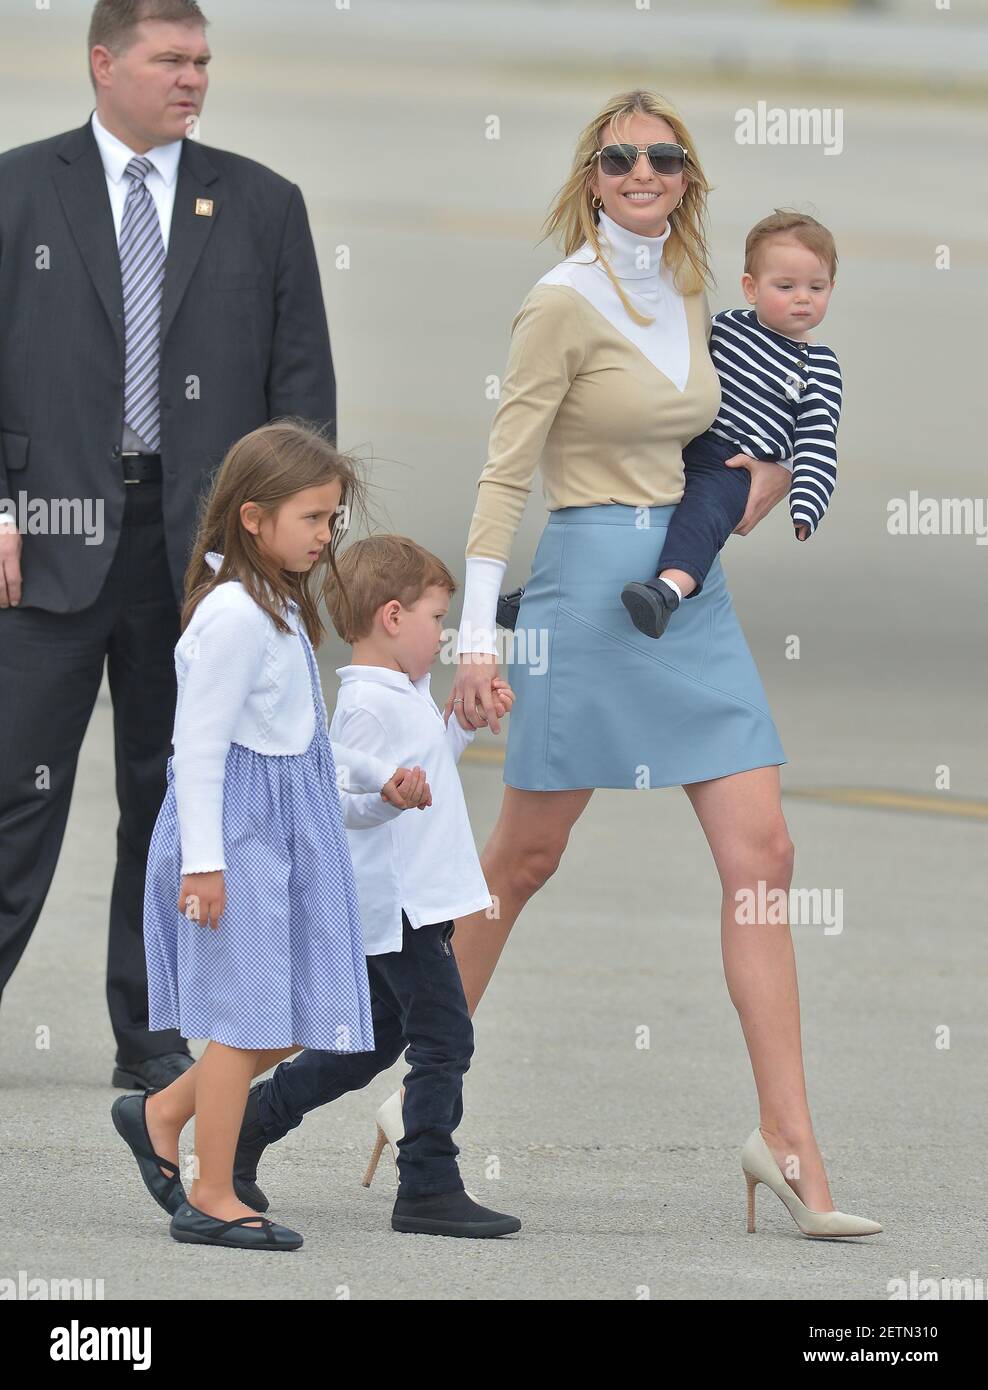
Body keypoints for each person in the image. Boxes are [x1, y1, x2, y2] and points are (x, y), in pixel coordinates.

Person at [445, 90, 881, 1238]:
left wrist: (770, 478)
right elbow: (503, 476)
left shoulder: (697, 295)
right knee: (524, 858)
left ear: (686, 174)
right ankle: (418, 1088)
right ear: (591, 175)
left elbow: (753, 427)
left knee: (765, 851)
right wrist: (479, 637)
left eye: (664, 156)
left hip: (690, 597)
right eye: (620, 156)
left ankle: (789, 1142)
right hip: (590, 590)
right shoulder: (560, 302)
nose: (643, 170)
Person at [0, 0, 338, 1091]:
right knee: (18, 787)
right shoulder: (16, 188)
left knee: (174, 793)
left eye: (201, 60)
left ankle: (149, 1029)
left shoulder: (262, 204)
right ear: (104, 64)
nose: (191, 78)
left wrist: (289, 554)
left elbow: (301, 401)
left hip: (200, 561)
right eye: (168, 60)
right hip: (42, 542)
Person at [111, 422, 439, 1251]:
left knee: (292, 1016)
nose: (327, 537)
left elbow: (304, 740)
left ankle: (161, 1113)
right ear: (253, 518)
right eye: (313, 519)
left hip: (287, 830)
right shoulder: (231, 614)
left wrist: (375, 780)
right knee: (249, 1022)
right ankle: (211, 1193)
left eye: (332, 519)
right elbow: (198, 747)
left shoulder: (279, 606)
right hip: (237, 837)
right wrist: (206, 864)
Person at [230, 535, 521, 1239]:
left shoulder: (405, 693)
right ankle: (427, 1183)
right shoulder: (365, 703)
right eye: (436, 621)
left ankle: (249, 1123)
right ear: (392, 617)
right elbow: (338, 796)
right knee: (446, 1039)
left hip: (413, 903)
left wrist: (459, 724)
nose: (443, 637)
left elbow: (423, 769)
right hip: (398, 909)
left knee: (365, 1048)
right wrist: (388, 797)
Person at [620, 209, 843, 639]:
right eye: (785, 286)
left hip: (735, 464)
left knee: (702, 516)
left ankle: (668, 590)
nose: (803, 298)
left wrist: (807, 504)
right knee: (619, 495)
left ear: (831, 289)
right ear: (750, 288)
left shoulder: (820, 367)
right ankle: (545, 590)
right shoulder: (723, 327)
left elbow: (818, 442)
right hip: (685, 439)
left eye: (816, 288)